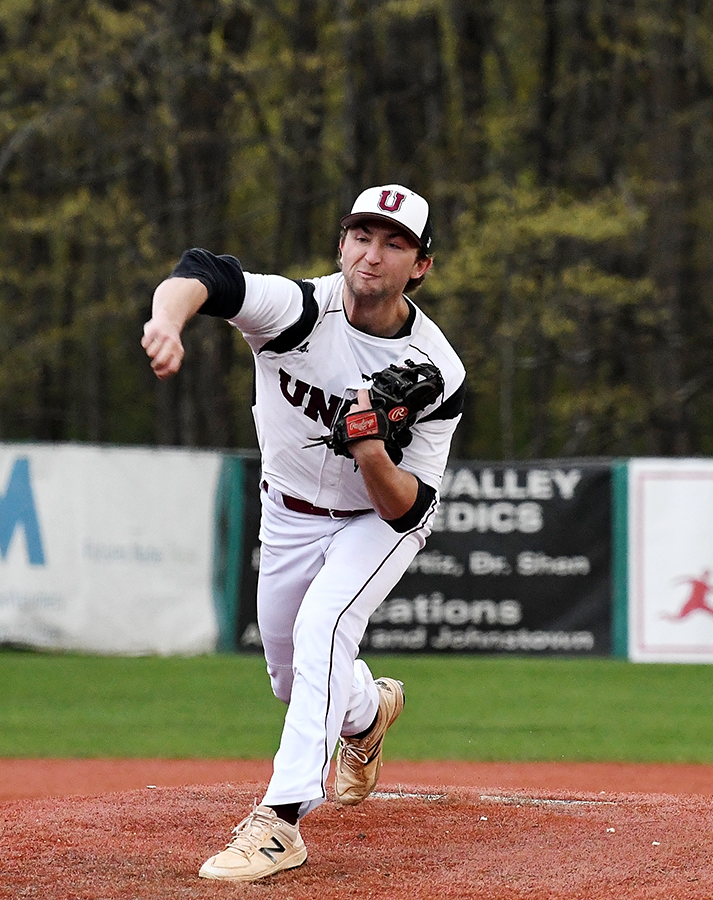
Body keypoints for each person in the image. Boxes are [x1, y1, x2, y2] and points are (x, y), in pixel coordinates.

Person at [141, 184, 466, 882]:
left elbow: (408, 510)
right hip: (286, 513)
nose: (371, 254)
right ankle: (365, 713)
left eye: (394, 242)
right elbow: (206, 273)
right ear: (341, 243)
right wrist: (167, 321)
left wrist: (372, 449)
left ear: (421, 266)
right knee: (294, 679)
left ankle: (280, 822)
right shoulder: (299, 313)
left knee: (326, 622)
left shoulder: (438, 371)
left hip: (375, 523)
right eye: (360, 236)